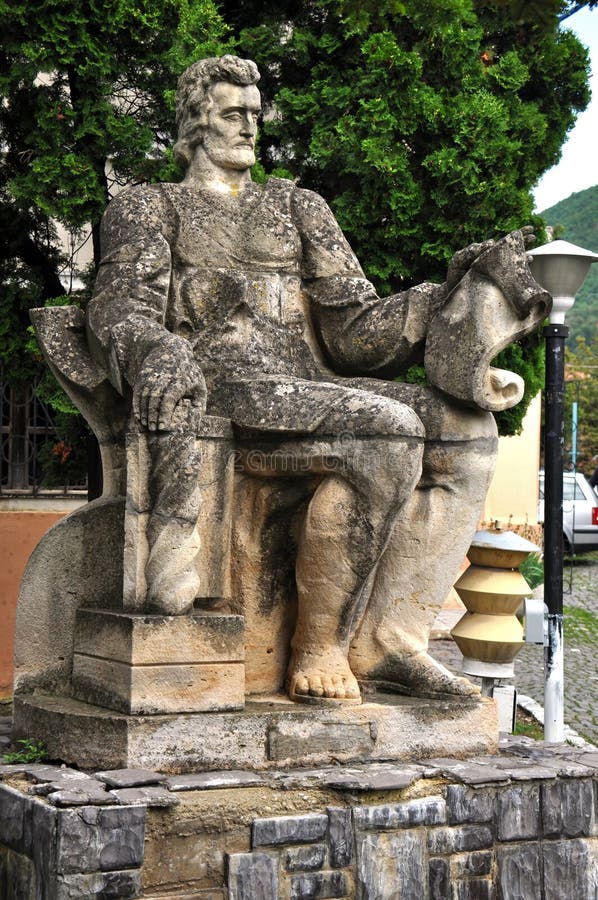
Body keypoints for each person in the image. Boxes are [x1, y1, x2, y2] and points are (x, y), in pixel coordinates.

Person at [86, 55, 549, 704]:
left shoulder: (298, 206)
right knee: (388, 433)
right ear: (194, 124)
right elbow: (118, 310)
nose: (249, 126)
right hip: (220, 390)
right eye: (231, 114)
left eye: (254, 113)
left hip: (306, 390)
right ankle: (321, 646)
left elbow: (353, 332)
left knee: (466, 428)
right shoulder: (150, 208)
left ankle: (390, 638)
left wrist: (444, 295)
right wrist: (154, 349)